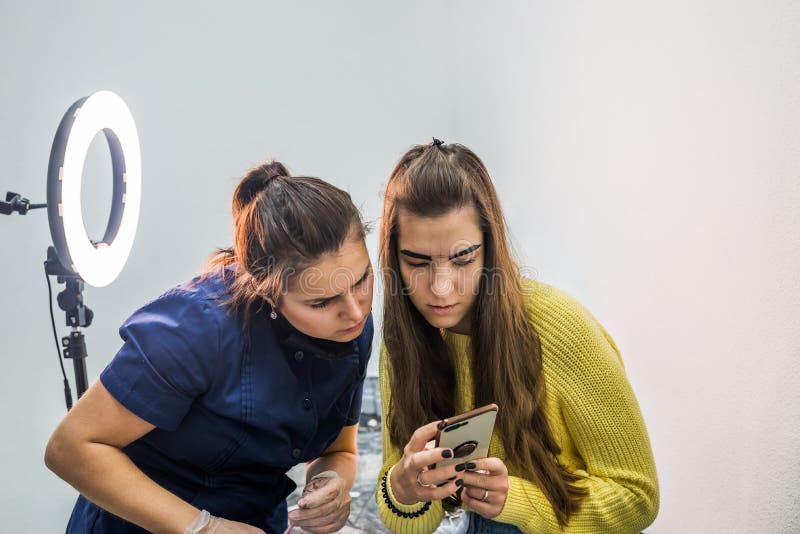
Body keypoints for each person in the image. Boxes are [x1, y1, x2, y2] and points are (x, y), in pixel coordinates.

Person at [45, 161, 374, 534]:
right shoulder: (193, 329)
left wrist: (332, 484)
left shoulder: (353, 328)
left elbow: (339, 450)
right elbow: (69, 448)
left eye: (362, 280)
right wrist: (204, 528)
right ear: (265, 290)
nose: (354, 309)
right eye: (321, 303)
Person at [375, 140, 659, 533]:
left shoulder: (562, 327)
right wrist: (403, 489)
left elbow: (638, 497)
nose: (441, 289)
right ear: (394, 257)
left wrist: (521, 504)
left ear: (490, 248)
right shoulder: (404, 345)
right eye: (417, 262)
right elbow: (412, 522)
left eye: (462, 258)